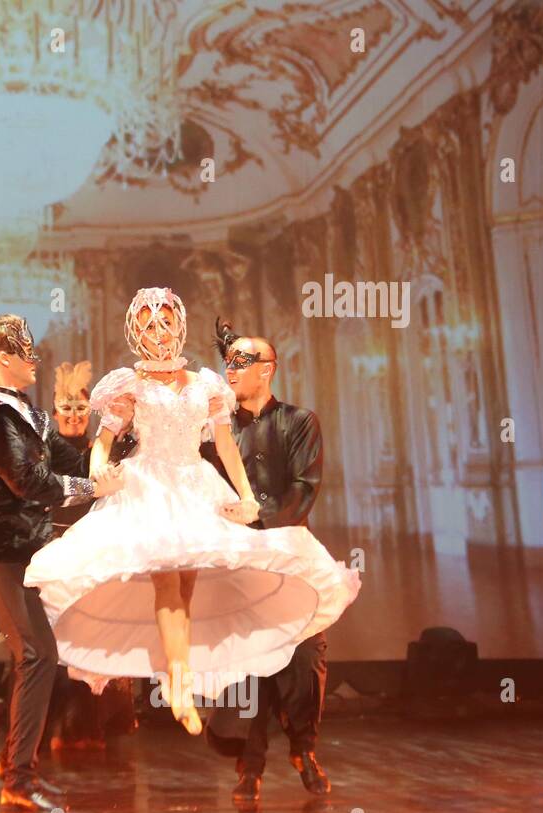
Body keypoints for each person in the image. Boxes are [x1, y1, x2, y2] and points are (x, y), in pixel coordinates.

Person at [23, 288, 360, 738]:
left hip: (195, 485)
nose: (156, 333)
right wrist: (99, 477)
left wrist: (247, 498)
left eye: (163, 322)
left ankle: (178, 674)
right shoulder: (128, 384)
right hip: (148, 486)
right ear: (135, 332)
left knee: (186, 584)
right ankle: (178, 682)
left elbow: (226, 447)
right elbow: (102, 443)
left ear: (177, 326)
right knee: (165, 580)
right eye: (146, 325)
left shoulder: (206, 384)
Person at [0, 315, 105, 812]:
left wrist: (115, 429)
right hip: (2, 551)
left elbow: (73, 464)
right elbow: (29, 482)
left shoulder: (30, 414)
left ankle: (14, 766)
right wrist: (93, 487)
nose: (36, 358)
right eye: (26, 351)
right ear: (6, 360)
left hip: (32, 554)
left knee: (38, 656)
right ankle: (18, 778)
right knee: (36, 655)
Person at [202, 320, 333, 806]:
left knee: (303, 657)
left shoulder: (299, 421)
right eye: (228, 360)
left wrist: (259, 515)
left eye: (241, 361)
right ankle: (250, 765)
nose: (230, 368)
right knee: (252, 664)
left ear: (268, 369)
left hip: (288, 555)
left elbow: (305, 486)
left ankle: (304, 747)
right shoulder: (215, 431)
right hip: (237, 562)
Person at [44, 361, 136, 750]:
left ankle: (92, 726)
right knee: (56, 642)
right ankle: (53, 727)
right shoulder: (45, 449)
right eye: (67, 409)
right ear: (54, 413)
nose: (75, 416)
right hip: (55, 549)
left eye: (82, 409)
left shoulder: (100, 448)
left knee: (94, 636)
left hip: (96, 552)